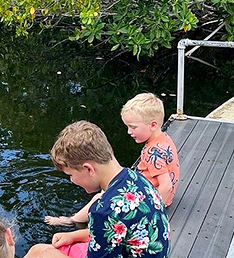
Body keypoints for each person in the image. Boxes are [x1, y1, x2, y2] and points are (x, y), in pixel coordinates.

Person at [28, 120, 170, 258]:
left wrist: (51, 257)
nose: (71, 181)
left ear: (88, 169)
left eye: (70, 175)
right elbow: (124, 232)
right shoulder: (135, 178)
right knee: (53, 249)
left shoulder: (104, 210)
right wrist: (74, 236)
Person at [46, 93, 179, 226]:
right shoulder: (164, 139)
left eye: (133, 127)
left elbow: (166, 186)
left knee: (100, 197)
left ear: (153, 125)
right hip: (160, 195)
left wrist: (152, 213)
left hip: (150, 201)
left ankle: (71, 220)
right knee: (109, 186)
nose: (128, 132)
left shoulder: (153, 152)